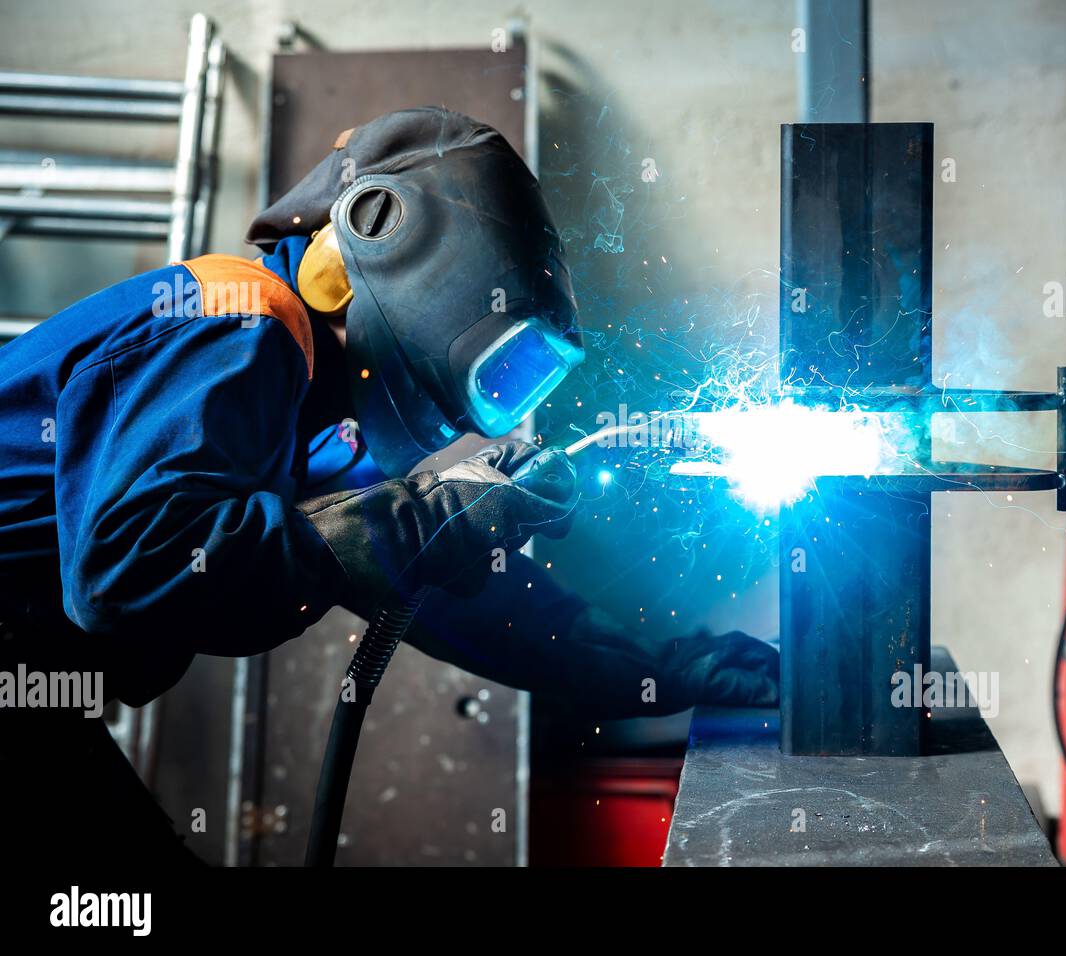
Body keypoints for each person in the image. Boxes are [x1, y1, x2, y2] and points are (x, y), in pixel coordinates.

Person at [0, 107, 777, 864]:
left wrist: (656, 665)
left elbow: (449, 597)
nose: (478, 414)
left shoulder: (318, 424)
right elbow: (125, 572)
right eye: (498, 369)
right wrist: (422, 517)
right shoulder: (240, 320)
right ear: (381, 245)